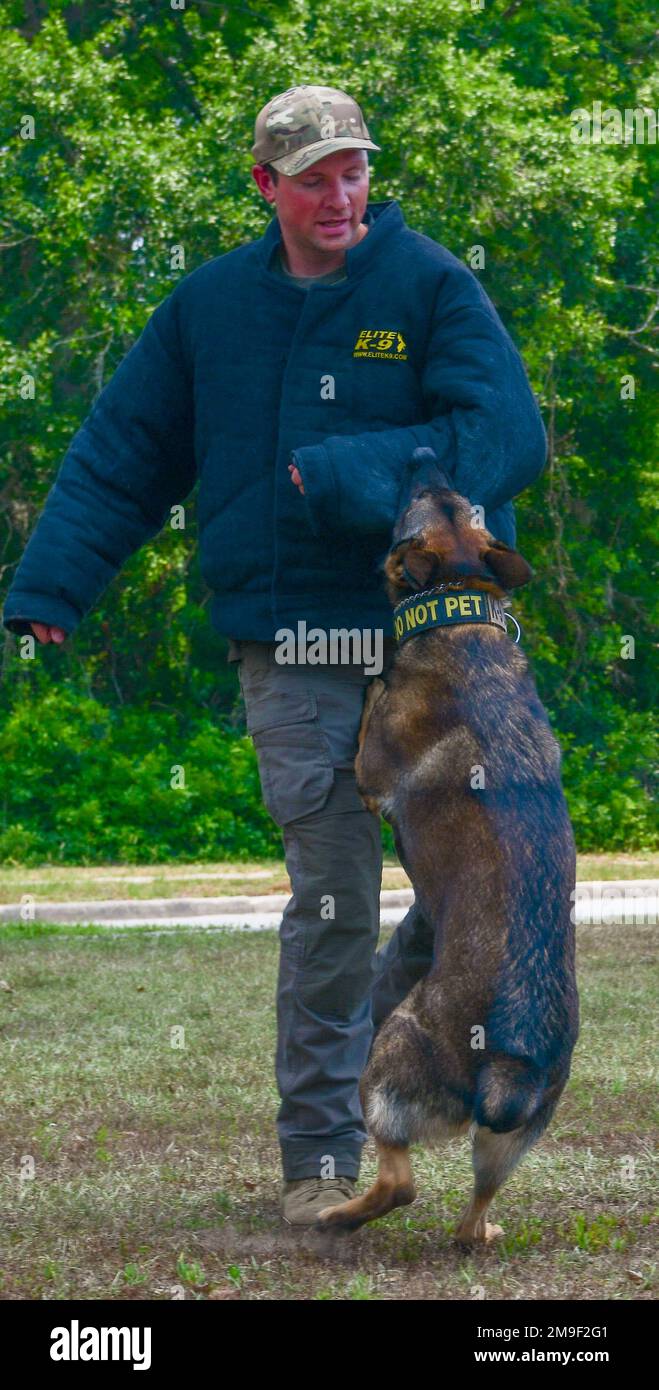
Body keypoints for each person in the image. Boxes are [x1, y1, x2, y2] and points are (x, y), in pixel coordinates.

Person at [2, 84, 548, 1225]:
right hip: (290, 644)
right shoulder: (207, 307)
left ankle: (425, 1110)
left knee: (465, 895)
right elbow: (121, 454)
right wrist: (55, 584)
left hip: (436, 650)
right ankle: (321, 1162)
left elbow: (504, 437)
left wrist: (346, 472)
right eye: (313, 177)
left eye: (353, 170)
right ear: (266, 185)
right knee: (334, 901)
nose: (339, 194)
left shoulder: (430, 285)